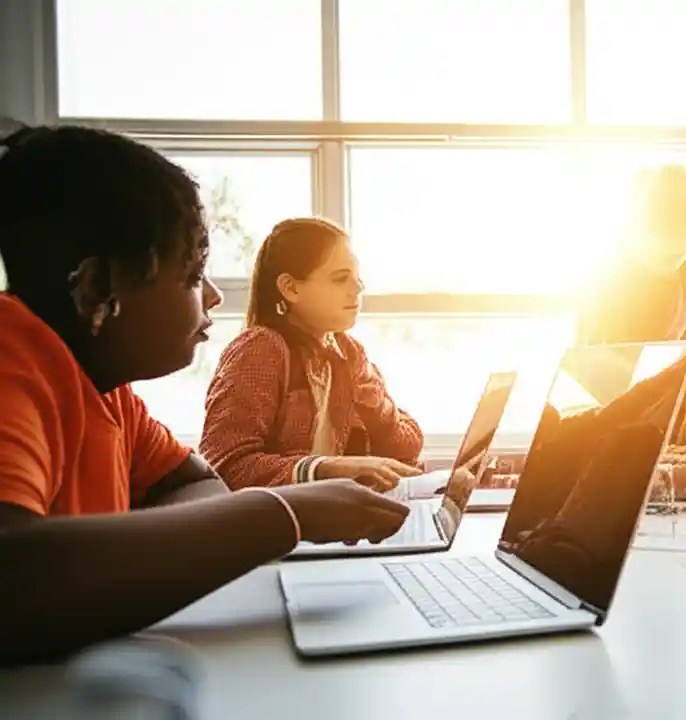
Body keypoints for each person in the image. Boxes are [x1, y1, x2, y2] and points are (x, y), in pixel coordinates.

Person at [0, 126, 408, 664]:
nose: (214, 295)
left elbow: (200, 484)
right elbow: (15, 578)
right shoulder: (13, 358)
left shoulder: (111, 394)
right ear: (98, 288)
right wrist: (285, 513)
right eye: (193, 274)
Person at [201, 218, 424, 491]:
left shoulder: (348, 352)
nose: (357, 288)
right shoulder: (260, 349)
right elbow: (226, 466)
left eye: (357, 277)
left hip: (330, 528)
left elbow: (407, 448)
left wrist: (376, 402)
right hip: (277, 530)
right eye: (341, 278)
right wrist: (325, 468)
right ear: (291, 288)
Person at [576, 164, 686, 458]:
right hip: (614, 410)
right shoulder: (610, 281)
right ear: (638, 232)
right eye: (661, 255)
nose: (672, 264)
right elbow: (602, 383)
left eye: (680, 252)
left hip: (669, 401)